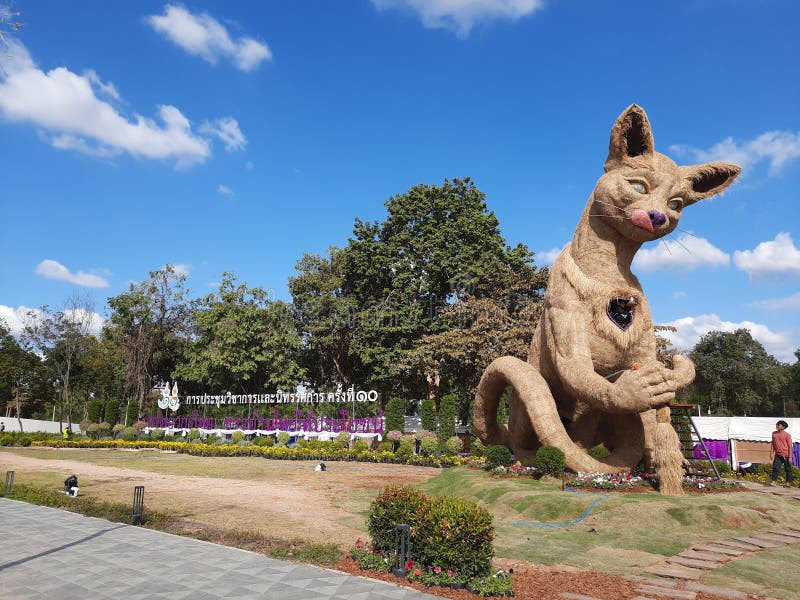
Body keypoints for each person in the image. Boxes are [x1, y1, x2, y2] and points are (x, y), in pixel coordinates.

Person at [769, 420, 793, 487]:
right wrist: (771, 453)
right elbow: (773, 444)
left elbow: (790, 446)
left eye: (778, 425)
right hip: (778, 454)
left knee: (788, 469)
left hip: (786, 455)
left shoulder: (787, 435)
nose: (776, 426)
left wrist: (790, 457)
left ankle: (788, 483)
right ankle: (774, 482)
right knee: (775, 468)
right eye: (777, 424)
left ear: (783, 427)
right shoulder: (774, 434)